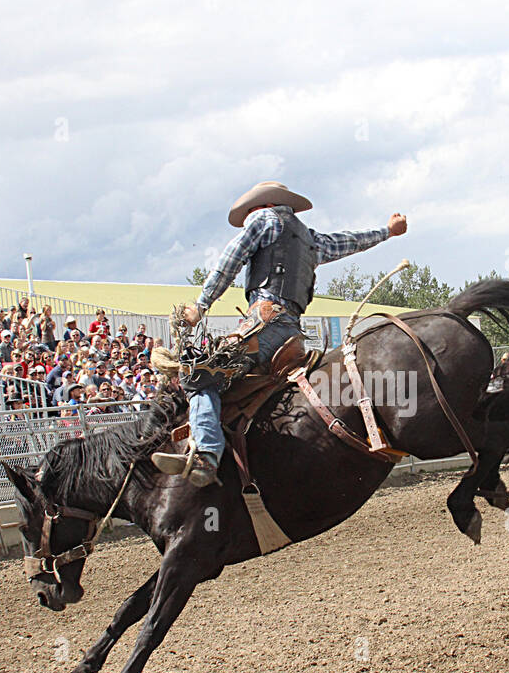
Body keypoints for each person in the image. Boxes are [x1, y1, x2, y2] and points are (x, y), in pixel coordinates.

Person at [152, 181, 408, 486]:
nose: (246, 219)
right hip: (292, 335)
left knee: (197, 376)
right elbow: (350, 241)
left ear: (260, 206)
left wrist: (200, 306)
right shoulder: (310, 239)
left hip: (264, 326)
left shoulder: (264, 221)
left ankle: (207, 455)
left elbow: (230, 260)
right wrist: (387, 231)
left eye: (248, 212)